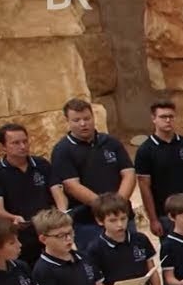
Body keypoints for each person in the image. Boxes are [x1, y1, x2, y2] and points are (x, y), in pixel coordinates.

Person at [51, 98, 136, 253]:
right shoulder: (62, 150)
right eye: (77, 120)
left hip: (123, 218)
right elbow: (72, 186)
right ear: (67, 122)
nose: (83, 124)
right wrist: (105, 207)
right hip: (88, 223)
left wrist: (119, 204)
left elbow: (128, 173)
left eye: (87, 118)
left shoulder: (111, 142)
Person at [0, 123, 66, 266]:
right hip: (21, 234)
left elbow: (57, 193)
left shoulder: (41, 164)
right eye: (16, 143)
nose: (23, 146)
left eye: (25, 141)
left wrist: (62, 214)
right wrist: (13, 218)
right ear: (3, 147)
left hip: (49, 229)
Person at [136, 100, 183, 236]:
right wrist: (153, 219)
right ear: (153, 119)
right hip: (165, 216)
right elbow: (144, 187)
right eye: (163, 117)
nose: (168, 120)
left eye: (171, 116)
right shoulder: (145, 151)